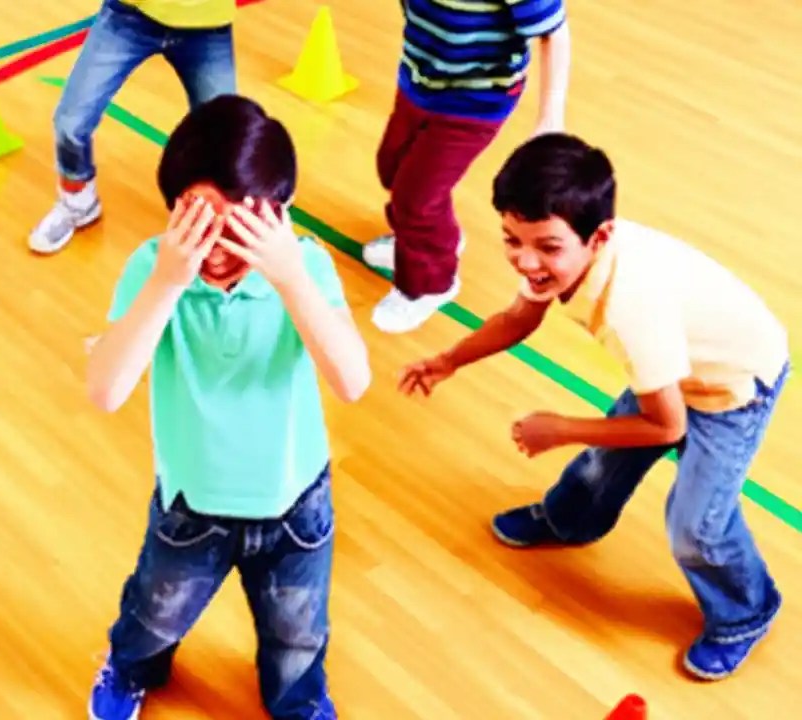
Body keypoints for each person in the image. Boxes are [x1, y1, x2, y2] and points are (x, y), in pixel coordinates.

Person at [398, 133, 790, 681]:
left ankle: (746, 612)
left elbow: (665, 424)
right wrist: (449, 359)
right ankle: (569, 520)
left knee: (694, 527)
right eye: (512, 239)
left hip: (733, 389)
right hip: (674, 371)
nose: (525, 260)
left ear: (598, 236)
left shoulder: (633, 305)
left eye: (546, 247)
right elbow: (518, 318)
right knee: (603, 464)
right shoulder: (557, 254)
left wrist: (560, 428)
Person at [84, 94, 370, 720]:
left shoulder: (307, 267)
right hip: (193, 504)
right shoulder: (154, 269)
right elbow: (105, 391)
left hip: (296, 501)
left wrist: (291, 277)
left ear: (280, 213)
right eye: (193, 221)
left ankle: (298, 700)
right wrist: (167, 280)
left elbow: (352, 381)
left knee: (297, 633)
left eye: (236, 225)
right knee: (153, 613)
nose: (213, 248)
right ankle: (131, 667)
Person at [363, 0, 571, 333]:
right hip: (419, 81)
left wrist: (550, 118)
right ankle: (431, 240)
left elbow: (554, 33)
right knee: (392, 167)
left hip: (475, 102)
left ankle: (431, 284)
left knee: (415, 200)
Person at [28, 0, 237, 255]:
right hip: (128, 19)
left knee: (226, 130)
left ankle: (215, 214)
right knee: (71, 122)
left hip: (207, 25)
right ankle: (77, 203)